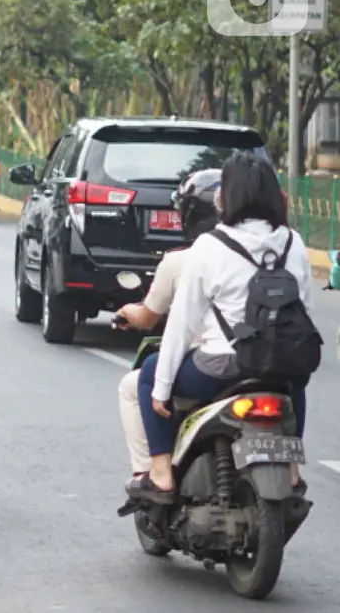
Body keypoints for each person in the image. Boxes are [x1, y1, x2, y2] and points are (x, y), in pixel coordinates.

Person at [130, 153, 317, 503]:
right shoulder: (294, 243)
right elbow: (304, 315)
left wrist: (161, 387)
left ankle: (161, 473)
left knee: (147, 373)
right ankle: (291, 469)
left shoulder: (210, 246)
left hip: (221, 367)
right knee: (294, 385)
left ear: (229, 196)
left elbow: (182, 323)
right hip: (283, 366)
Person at [114, 169, 220, 478]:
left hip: (209, 363)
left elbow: (150, 318)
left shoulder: (182, 260)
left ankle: (152, 473)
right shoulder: (270, 251)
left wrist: (127, 313)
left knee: (137, 383)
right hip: (265, 362)